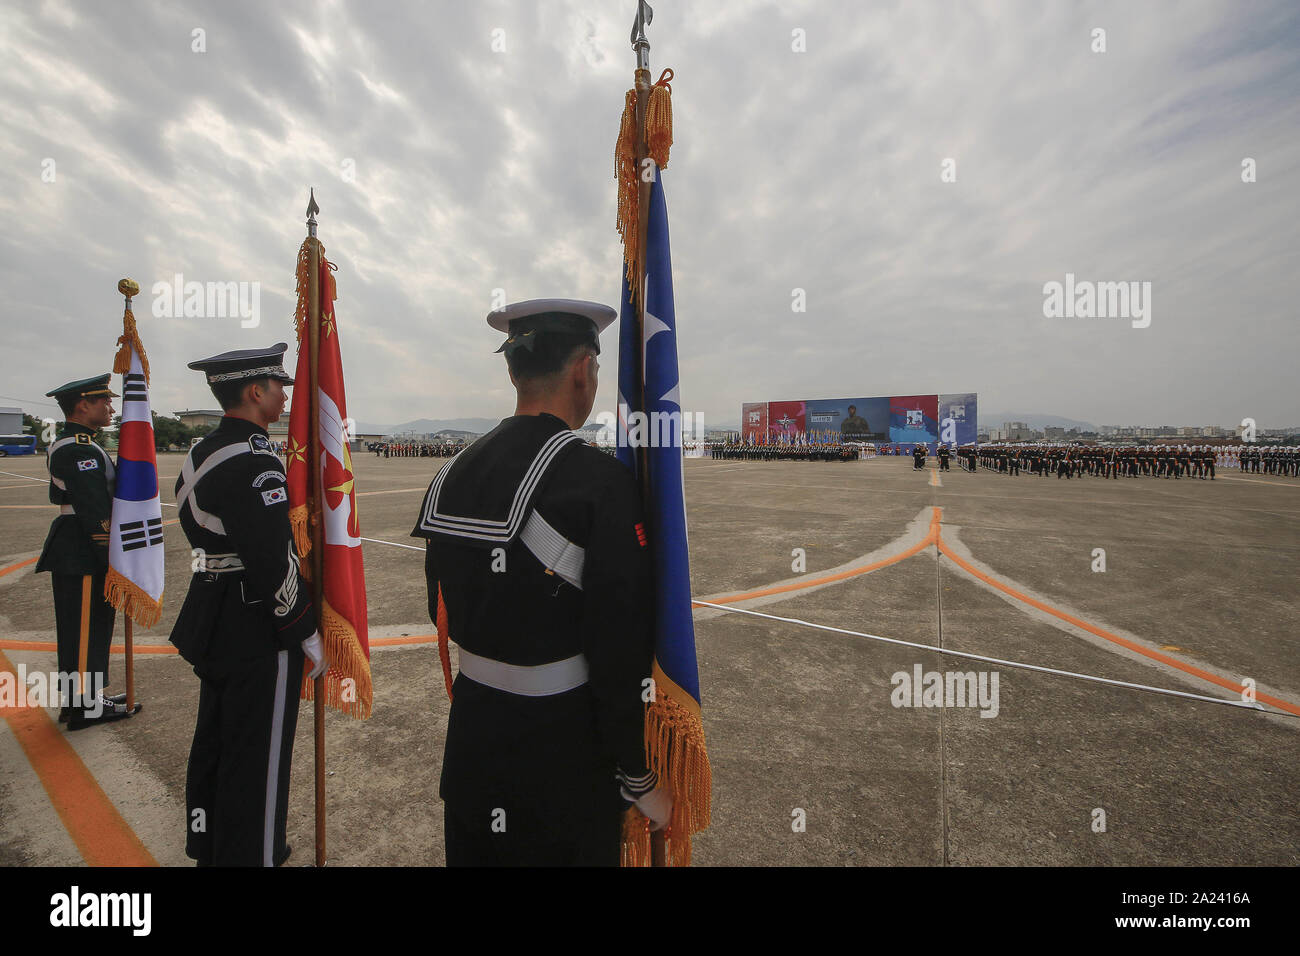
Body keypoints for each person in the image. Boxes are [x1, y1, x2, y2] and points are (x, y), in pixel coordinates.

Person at [412, 298, 670, 866]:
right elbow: (617, 645)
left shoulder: (453, 471)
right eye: (595, 373)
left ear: (513, 371)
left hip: (475, 743)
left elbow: (440, 606)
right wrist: (636, 770)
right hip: (563, 759)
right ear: (582, 371)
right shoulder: (600, 480)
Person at [170, 344, 327, 867]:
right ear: (255, 392)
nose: (285, 396)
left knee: (216, 741)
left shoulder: (201, 451)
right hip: (254, 621)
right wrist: (303, 627)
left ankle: (210, 844)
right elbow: (269, 557)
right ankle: (255, 853)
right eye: (278, 386)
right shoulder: (254, 458)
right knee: (257, 757)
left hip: (212, 608)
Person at [37, 374, 143, 730]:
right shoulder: (77, 448)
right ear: (83, 405)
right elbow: (95, 509)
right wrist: (112, 558)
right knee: (83, 628)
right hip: (81, 547)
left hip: (79, 545)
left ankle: (84, 698)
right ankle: (83, 706)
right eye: (105, 401)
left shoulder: (81, 443)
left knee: (91, 626)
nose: (111, 407)